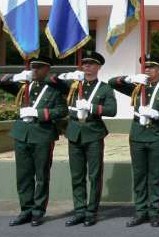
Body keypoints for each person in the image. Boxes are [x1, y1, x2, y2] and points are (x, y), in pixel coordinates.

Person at [46, 50, 117, 227]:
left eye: (91, 63)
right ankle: (79, 210)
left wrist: (92, 107)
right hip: (74, 132)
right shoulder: (73, 85)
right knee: (77, 174)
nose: (86, 66)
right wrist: (67, 75)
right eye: (84, 63)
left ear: (98, 67)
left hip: (93, 133)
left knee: (94, 175)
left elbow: (112, 110)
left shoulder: (104, 88)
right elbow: (50, 80)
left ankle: (91, 211)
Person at [0, 55, 67, 227]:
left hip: (42, 134)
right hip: (22, 134)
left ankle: (38, 211)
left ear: (47, 69)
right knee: (23, 175)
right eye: (33, 67)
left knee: (41, 175)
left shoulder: (53, 89)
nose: (34, 70)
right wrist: (15, 77)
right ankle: (25, 210)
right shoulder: (23, 86)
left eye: (39, 67)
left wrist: (39, 114)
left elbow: (62, 110)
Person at [110, 53, 159, 228]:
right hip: (138, 136)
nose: (148, 70)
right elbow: (112, 82)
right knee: (140, 175)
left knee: (155, 175)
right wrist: (129, 78)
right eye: (145, 67)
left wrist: (158, 114)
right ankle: (141, 211)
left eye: (152, 67)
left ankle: (154, 211)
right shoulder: (135, 86)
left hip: (156, 135)